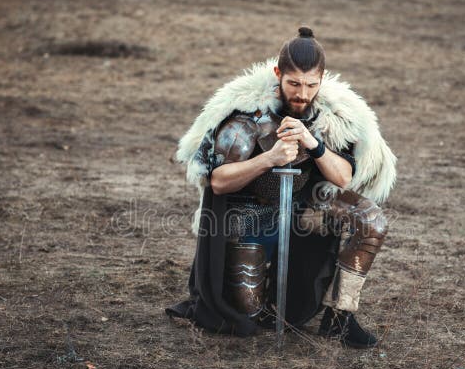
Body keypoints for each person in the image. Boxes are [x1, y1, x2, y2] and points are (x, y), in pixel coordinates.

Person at [166, 27, 397, 348]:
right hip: (249, 215)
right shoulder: (245, 119)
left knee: (370, 220)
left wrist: (313, 144)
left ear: (322, 79)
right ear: (278, 74)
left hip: (302, 211)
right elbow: (218, 182)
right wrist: (269, 158)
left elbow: (343, 177)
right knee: (250, 314)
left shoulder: (330, 116)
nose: (302, 93)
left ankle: (340, 317)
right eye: (294, 84)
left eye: (311, 85)